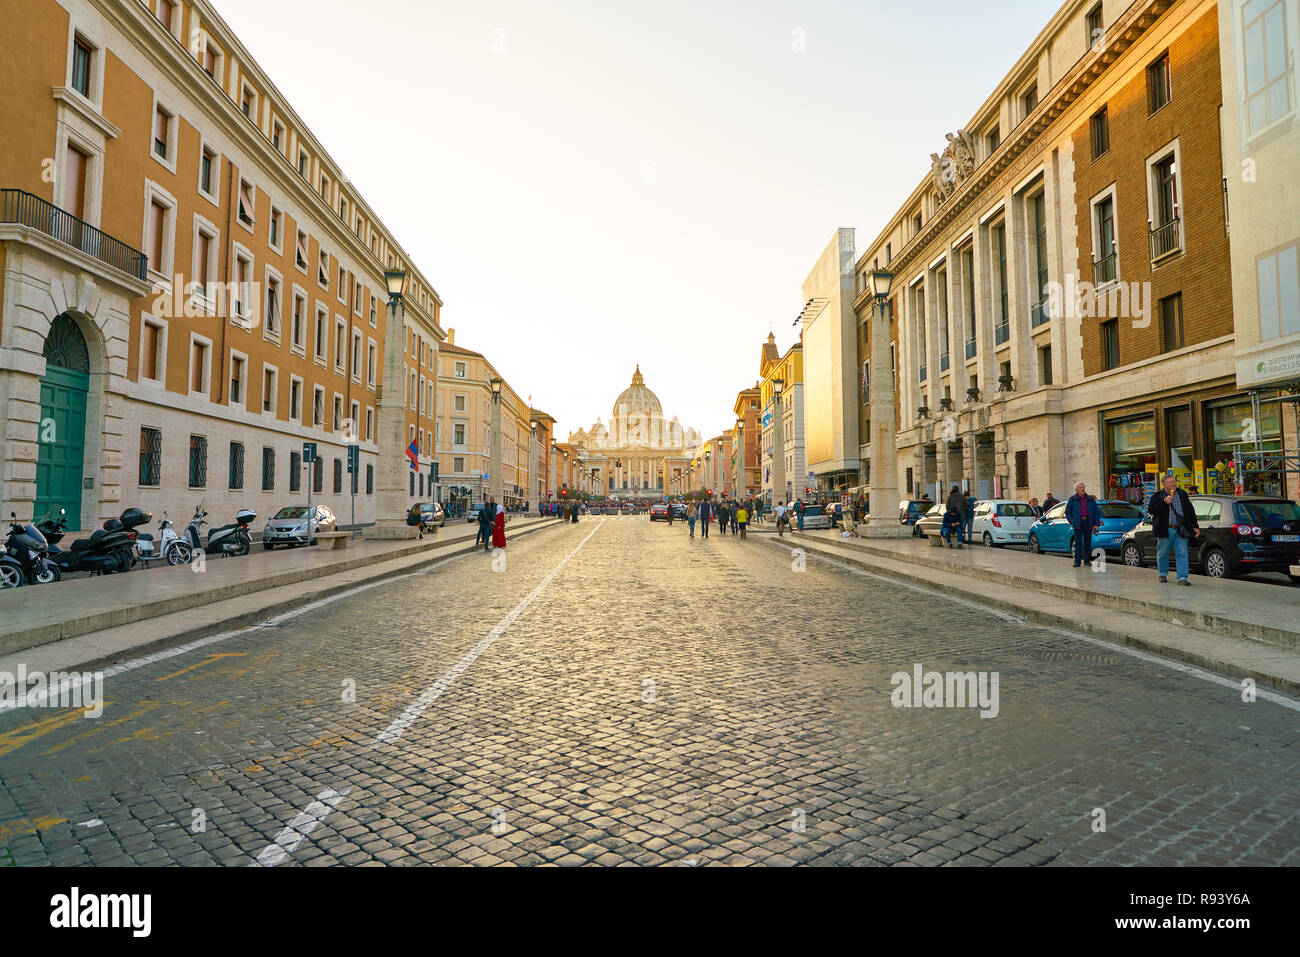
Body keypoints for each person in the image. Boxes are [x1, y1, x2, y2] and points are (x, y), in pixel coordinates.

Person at [1148, 474, 1200, 585]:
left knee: (1182, 553)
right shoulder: (1157, 496)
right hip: (1165, 529)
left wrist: (1195, 526)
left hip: (1181, 529)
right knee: (1163, 553)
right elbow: (1151, 510)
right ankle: (1162, 573)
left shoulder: (1182, 494)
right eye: (1170, 482)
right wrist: (1164, 503)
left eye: (1174, 481)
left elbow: (1191, 511)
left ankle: (1182, 578)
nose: (1173, 484)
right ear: (1164, 484)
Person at [1063, 482, 1100, 567]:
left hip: (1088, 522)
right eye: (1080, 487)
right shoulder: (1072, 499)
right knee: (1078, 543)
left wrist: (1096, 523)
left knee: (1088, 543)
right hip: (1078, 523)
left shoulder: (1090, 499)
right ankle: (1077, 561)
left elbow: (1096, 512)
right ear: (1076, 489)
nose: (1082, 489)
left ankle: (1087, 561)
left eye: (1083, 487)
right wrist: (1072, 521)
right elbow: (1067, 512)